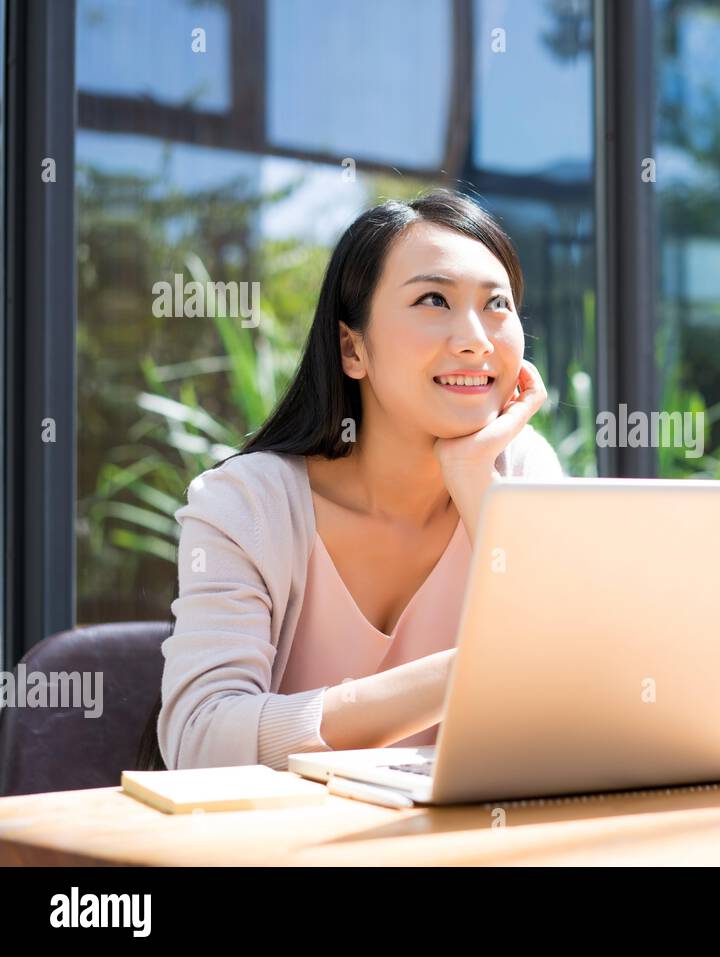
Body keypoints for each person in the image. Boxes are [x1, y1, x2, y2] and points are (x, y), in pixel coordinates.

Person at [146, 189, 564, 771]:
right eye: (434, 299)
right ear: (352, 348)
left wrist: (476, 484)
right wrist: (470, 669)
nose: (475, 339)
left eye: (497, 305)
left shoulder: (518, 474)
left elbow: (570, 706)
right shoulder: (249, 506)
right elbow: (202, 739)